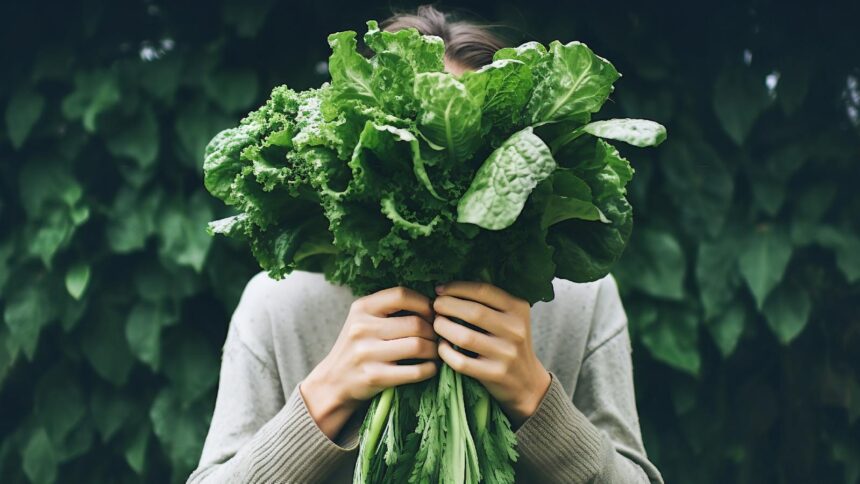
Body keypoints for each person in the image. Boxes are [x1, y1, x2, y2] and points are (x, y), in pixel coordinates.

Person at [187, 5, 664, 484]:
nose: (439, 178)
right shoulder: (278, 309)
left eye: (468, 151)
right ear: (352, 158)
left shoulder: (582, 305)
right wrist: (326, 394)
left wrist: (535, 397)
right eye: (406, 148)